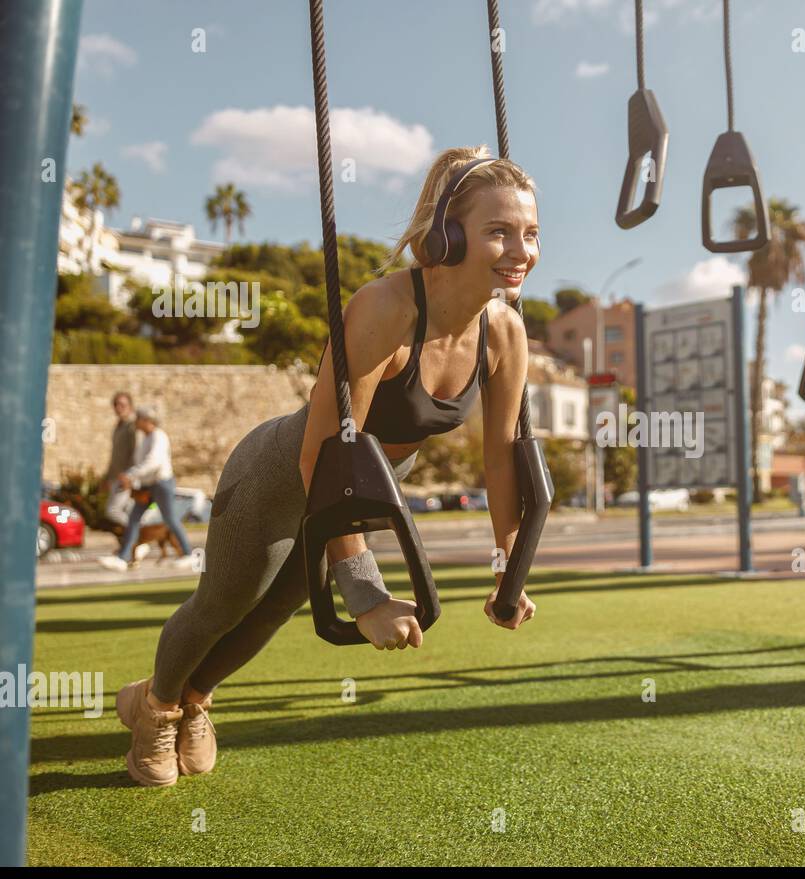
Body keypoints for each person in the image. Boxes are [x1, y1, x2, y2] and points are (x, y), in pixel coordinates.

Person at [115, 146, 540, 786]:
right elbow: (324, 450)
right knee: (227, 601)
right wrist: (366, 592)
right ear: (450, 233)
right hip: (287, 469)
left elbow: (503, 458)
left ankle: (193, 699)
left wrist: (509, 566)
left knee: (272, 610)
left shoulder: (504, 333)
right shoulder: (386, 308)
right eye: (499, 232)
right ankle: (156, 709)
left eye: (531, 233)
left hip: (358, 487)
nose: (520, 250)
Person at [98, 405, 194, 571]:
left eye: (139, 419)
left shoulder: (159, 437)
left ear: (147, 420)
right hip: (147, 485)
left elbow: (153, 462)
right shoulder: (146, 439)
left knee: (170, 519)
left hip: (161, 484)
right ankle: (123, 557)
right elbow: (141, 463)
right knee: (133, 519)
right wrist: (132, 479)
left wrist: (130, 475)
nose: (136, 422)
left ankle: (188, 554)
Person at [101, 391, 136, 527]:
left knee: (113, 511)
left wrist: (130, 476)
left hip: (126, 478)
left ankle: (138, 536)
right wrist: (107, 478)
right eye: (116, 405)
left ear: (130, 406)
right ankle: (133, 543)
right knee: (128, 511)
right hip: (117, 478)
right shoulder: (117, 428)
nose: (119, 408)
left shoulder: (132, 427)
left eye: (122, 405)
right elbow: (115, 456)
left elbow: (135, 453)